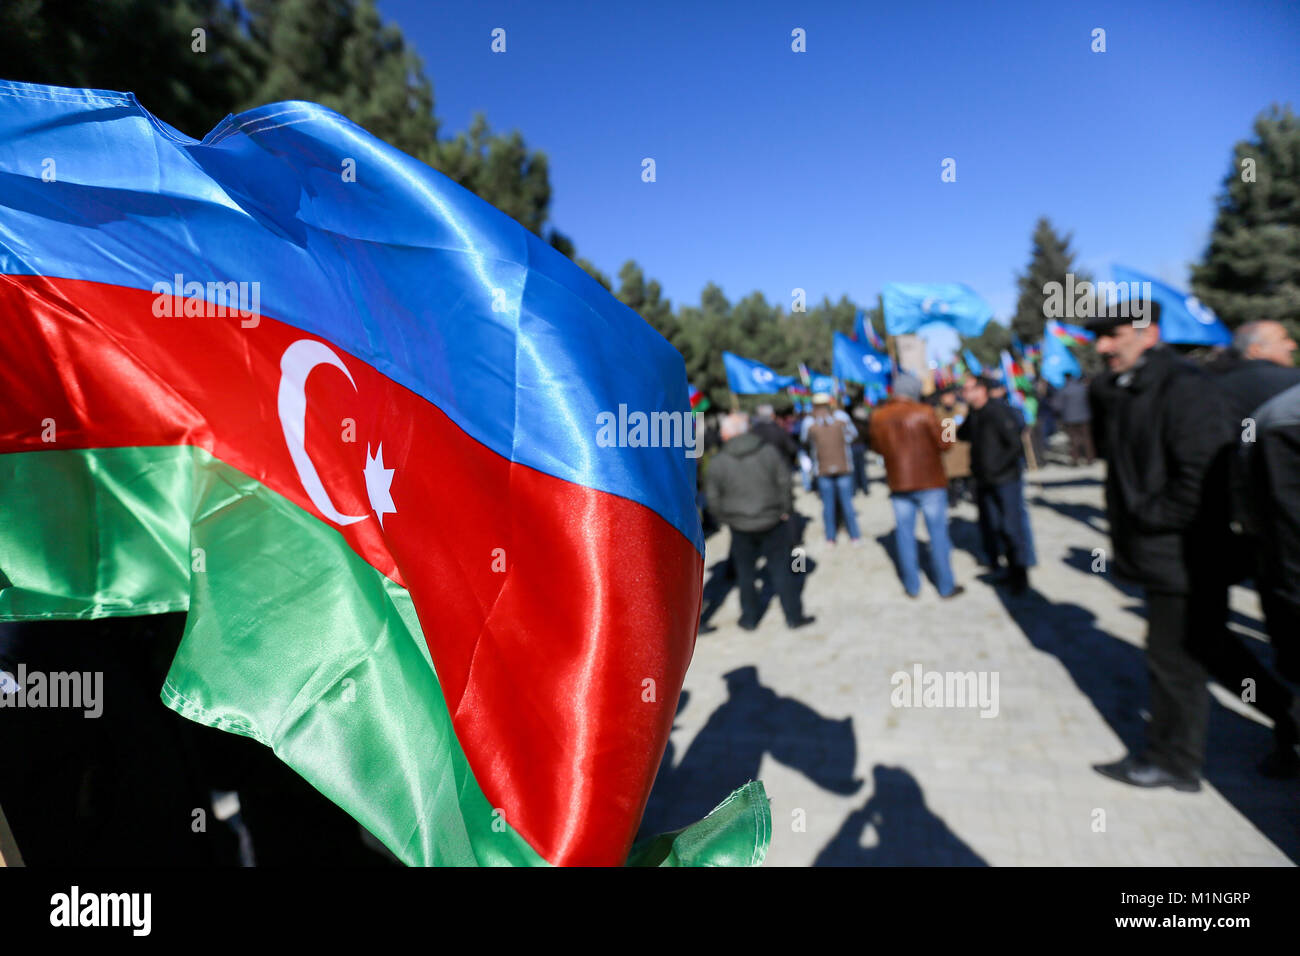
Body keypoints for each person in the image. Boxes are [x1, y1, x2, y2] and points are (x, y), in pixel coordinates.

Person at [1086, 303, 1300, 789]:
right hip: (1162, 550)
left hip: (1184, 553)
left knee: (1172, 658)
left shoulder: (1183, 386)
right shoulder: (1128, 387)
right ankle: (1288, 716)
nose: (1102, 348)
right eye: (1096, 338)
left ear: (1148, 333)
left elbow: (1202, 475)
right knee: (1213, 648)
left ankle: (1173, 761)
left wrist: (1149, 518)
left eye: (1111, 335)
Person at [705, 413, 814, 631]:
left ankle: (749, 618)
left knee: (746, 575)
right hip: (769, 520)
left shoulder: (719, 462)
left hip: (745, 524)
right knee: (781, 570)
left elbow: (713, 500)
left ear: (726, 434)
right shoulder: (768, 452)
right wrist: (786, 510)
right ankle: (793, 616)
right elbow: (785, 483)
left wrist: (727, 519)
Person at [869, 373, 964, 599]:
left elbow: (876, 448)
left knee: (904, 536)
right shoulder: (924, 412)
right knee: (938, 535)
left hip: (899, 483)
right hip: (930, 482)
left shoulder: (878, 416)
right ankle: (945, 586)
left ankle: (912, 586)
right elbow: (946, 444)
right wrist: (949, 423)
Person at [958, 375, 1033, 593]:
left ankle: (1020, 576)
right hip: (983, 481)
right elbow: (957, 435)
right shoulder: (974, 414)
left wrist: (998, 468)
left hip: (1005, 480)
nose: (965, 393)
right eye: (963, 390)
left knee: (1012, 528)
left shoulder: (998, 411)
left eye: (969, 389)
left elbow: (1015, 446)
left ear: (981, 390)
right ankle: (1005, 570)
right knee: (993, 527)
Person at [801, 394, 862, 546]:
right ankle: (854, 536)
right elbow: (852, 434)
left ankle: (831, 538)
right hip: (842, 467)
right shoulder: (841, 417)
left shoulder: (809, 422)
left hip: (823, 469)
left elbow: (805, 440)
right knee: (846, 504)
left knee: (828, 505)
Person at [935, 386, 972, 505]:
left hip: (962, 450)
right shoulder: (936, 413)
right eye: (946, 396)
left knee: (967, 477)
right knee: (950, 479)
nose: (948, 399)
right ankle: (952, 499)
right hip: (947, 452)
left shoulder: (963, 409)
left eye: (950, 396)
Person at [1056, 373, 1095, 466]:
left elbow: (1057, 405)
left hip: (1070, 418)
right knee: (1087, 438)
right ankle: (1089, 458)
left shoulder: (1064, 390)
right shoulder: (1082, 388)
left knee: (1073, 439)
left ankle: (1075, 459)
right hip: (1084, 417)